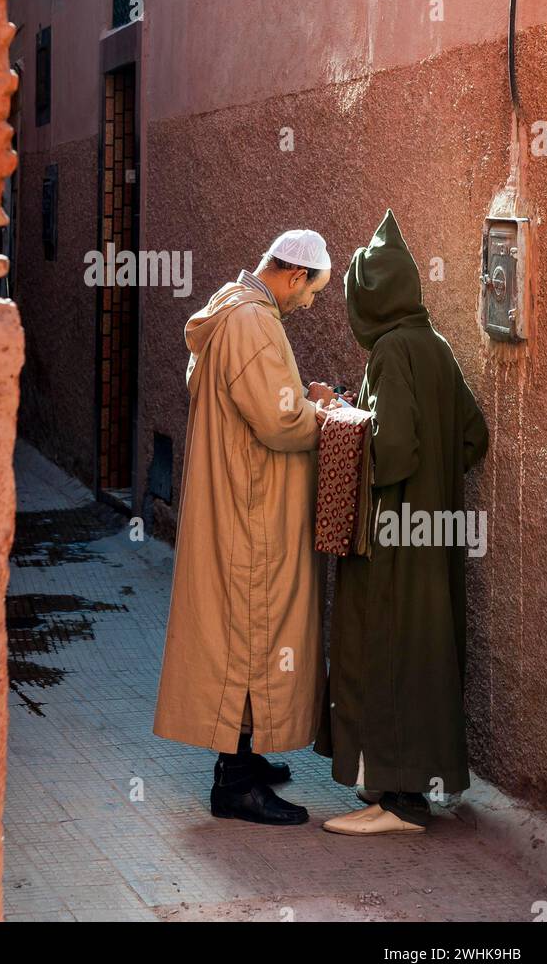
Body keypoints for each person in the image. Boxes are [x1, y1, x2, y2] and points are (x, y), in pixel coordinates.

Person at [154, 229, 338, 825]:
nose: (307, 305)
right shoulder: (255, 322)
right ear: (292, 276)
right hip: (250, 510)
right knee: (253, 635)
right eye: (310, 293)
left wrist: (300, 397)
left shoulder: (228, 310)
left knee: (241, 633)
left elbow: (259, 397)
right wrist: (324, 413)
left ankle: (246, 762)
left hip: (232, 500)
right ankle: (234, 783)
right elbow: (280, 421)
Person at [315, 210, 489, 835]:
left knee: (384, 654)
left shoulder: (389, 352)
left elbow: (392, 455)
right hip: (432, 542)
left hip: (392, 539)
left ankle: (395, 803)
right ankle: (414, 791)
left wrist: (342, 419)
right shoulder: (436, 346)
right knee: (423, 657)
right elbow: (474, 437)